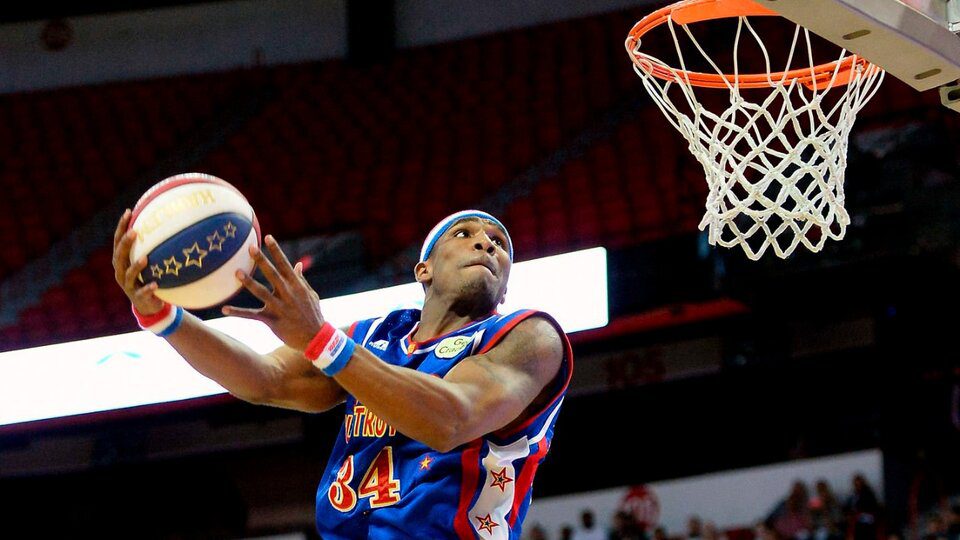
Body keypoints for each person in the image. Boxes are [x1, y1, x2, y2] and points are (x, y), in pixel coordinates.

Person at [112, 209, 573, 539]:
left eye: (499, 244)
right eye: (465, 233)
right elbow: (265, 378)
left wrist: (321, 340)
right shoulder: (376, 336)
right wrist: (161, 316)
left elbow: (449, 420)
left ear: (507, 286)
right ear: (424, 269)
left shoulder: (528, 337)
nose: (487, 243)